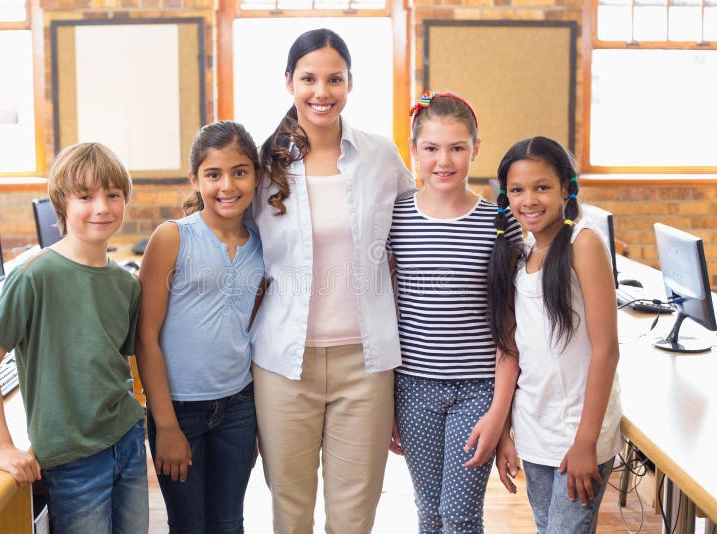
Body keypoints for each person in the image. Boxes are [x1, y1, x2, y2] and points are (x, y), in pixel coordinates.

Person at [252, 28, 415, 533]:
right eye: (309, 79)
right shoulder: (262, 165)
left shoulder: (380, 156)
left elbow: (416, 231)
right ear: (288, 82)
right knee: (290, 511)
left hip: (364, 366)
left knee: (353, 515)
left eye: (334, 79)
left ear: (350, 83)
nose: (321, 91)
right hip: (283, 364)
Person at [0, 142, 148, 533]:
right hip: (72, 458)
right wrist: (1, 446)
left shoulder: (125, 284)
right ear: (62, 203)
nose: (101, 207)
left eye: (113, 195)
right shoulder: (35, 276)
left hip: (127, 439)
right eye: (85, 196)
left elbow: (123, 361)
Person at [386, 91, 523, 533]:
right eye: (431, 148)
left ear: (475, 149)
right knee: (428, 511)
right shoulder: (395, 217)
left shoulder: (500, 225)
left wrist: (500, 414)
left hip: (478, 391)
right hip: (413, 388)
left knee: (460, 515)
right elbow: (386, 307)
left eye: (457, 148)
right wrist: (387, 400)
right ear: (414, 150)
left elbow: (509, 329)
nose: (444, 160)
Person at [488, 136, 622, 533]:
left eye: (541, 187)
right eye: (517, 190)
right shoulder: (522, 253)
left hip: (577, 437)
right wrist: (507, 433)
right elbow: (517, 352)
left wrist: (586, 443)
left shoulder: (584, 245)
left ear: (567, 187)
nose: (528, 200)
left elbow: (606, 352)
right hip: (534, 432)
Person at [135, 120, 264, 534]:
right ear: (195, 180)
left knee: (229, 523)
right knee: (189, 525)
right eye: (213, 174)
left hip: (239, 408)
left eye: (240, 172)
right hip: (179, 411)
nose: (227, 185)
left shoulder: (264, 242)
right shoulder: (172, 238)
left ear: (256, 176)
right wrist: (167, 424)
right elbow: (146, 337)